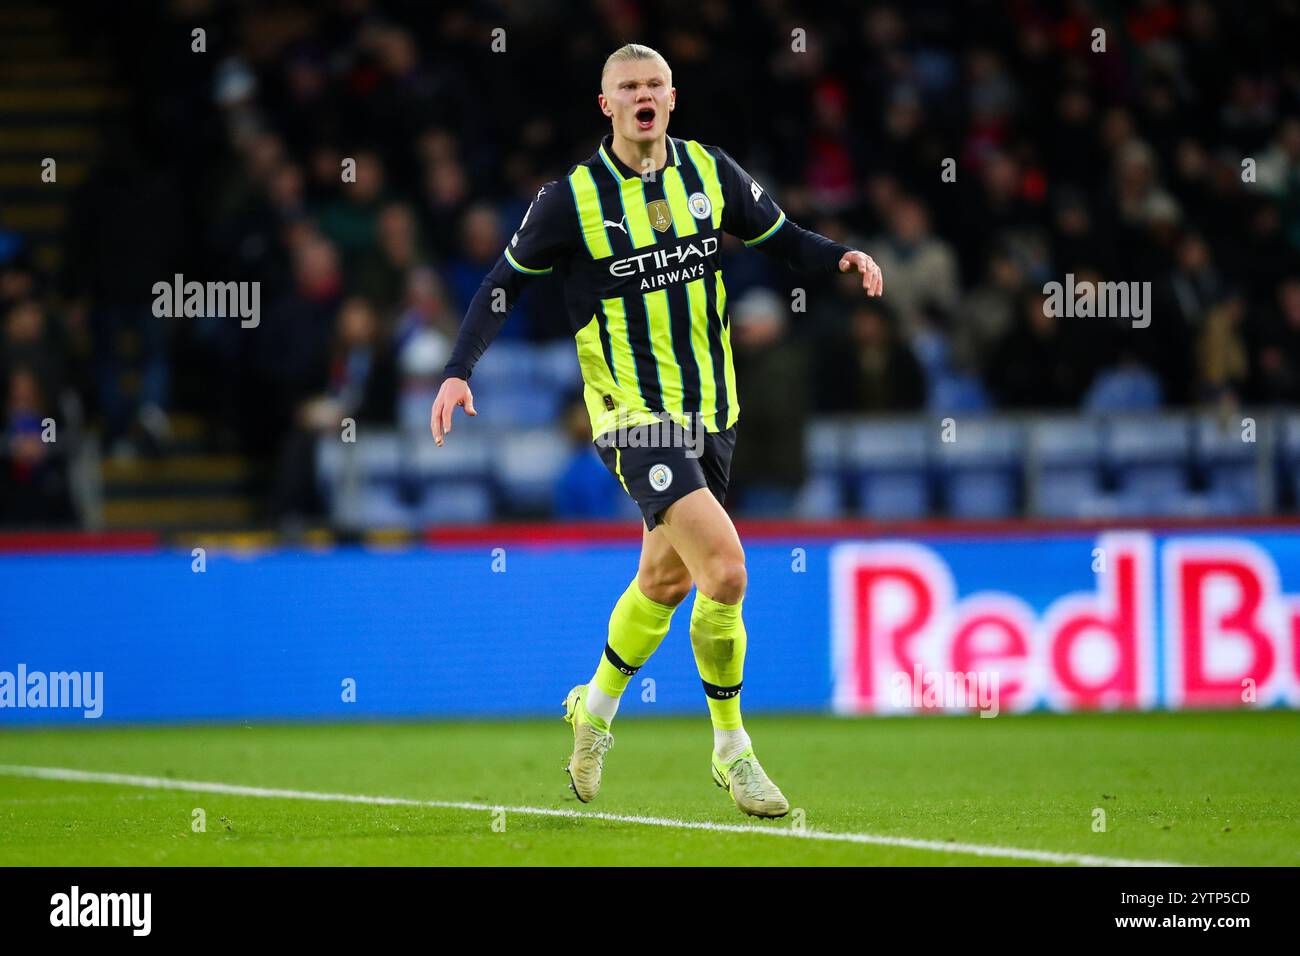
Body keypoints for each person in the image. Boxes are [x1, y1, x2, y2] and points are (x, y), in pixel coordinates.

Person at [429, 43, 882, 818]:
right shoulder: (569, 199)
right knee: (727, 571)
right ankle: (733, 750)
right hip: (632, 418)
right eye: (627, 87)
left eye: (654, 84)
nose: (643, 95)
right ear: (606, 106)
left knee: (666, 581)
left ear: (672, 97)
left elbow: (780, 237)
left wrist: (840, 259)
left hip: (714, 412)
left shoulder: (710, 172)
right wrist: (459, 367)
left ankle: (594, 712)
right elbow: (502, 286)